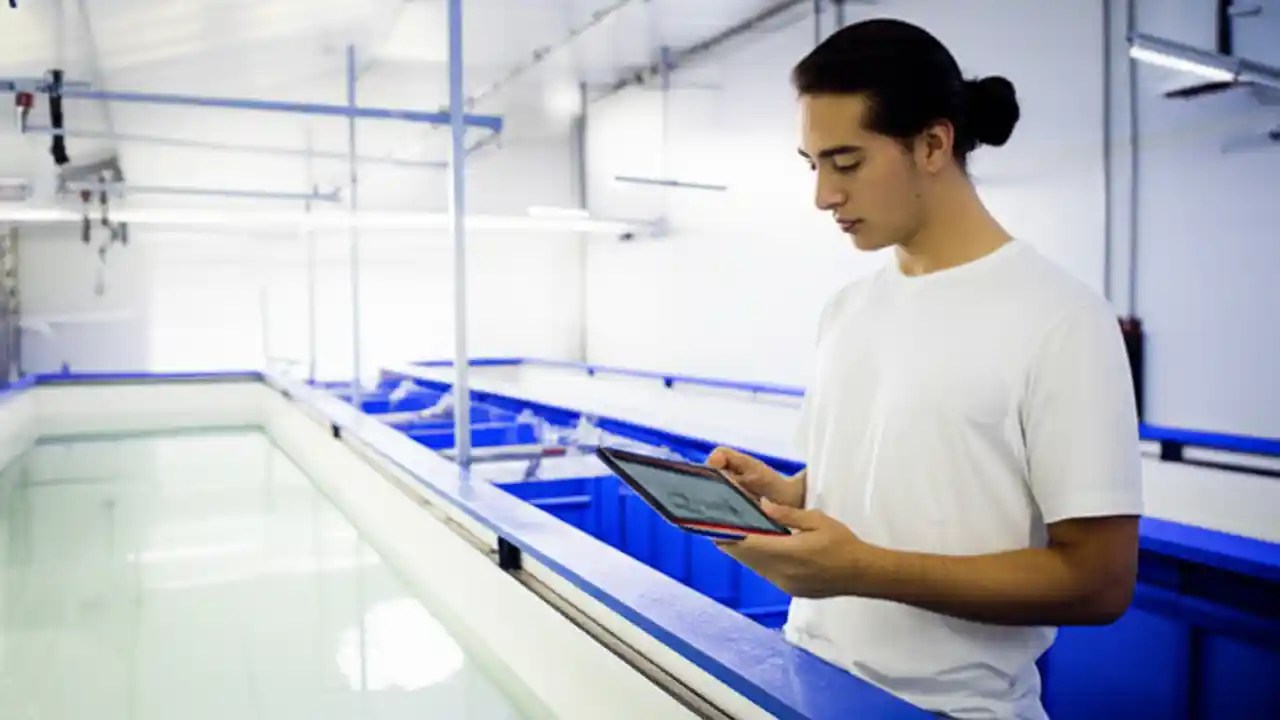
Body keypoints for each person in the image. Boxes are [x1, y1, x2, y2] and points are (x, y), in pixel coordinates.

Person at [707, 19, 1142, 719]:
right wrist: (784, 494)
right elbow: (879, 478)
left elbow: (1099, 582)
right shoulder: (847, 309)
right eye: (813, 165)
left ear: (934, 144)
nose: (823, 195)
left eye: (847, 163)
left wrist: (863, 570)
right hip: (805, 684)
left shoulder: (1061, 318)